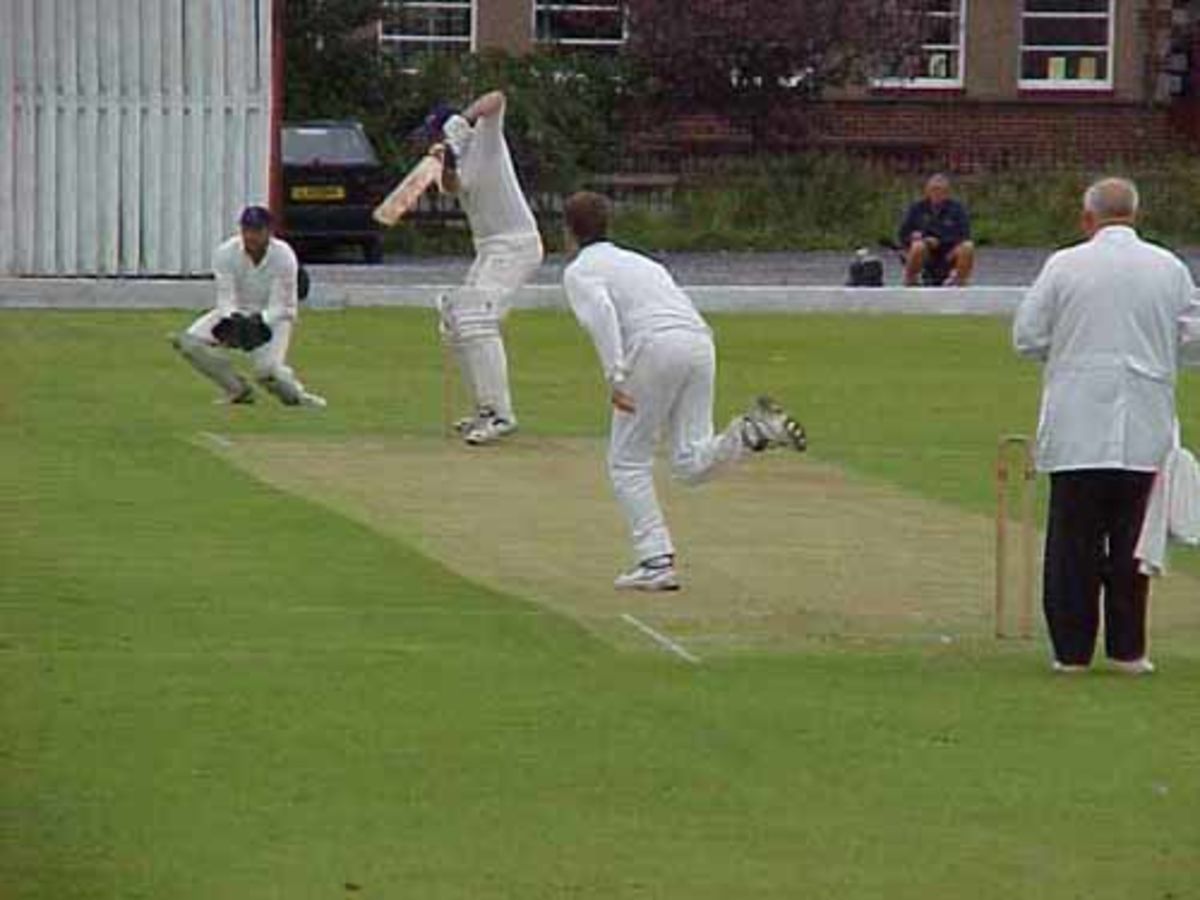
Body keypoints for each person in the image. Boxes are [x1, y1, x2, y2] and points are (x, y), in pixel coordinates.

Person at [561, 191, 808, 591]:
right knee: (689, 462)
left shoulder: (580, 271)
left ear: (568, 232)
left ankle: (655, 560)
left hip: (654, 347)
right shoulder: (641, 262)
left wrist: (615, 376)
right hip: (698, 341)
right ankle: (747, 434)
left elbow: (602, 314)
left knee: (627, 462)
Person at [1013, 177, 1200, 674]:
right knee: (1133, 542)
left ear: (1087, 218)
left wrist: (1072, 351)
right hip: (1145, 421)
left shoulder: (1065, 264)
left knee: (1072, 542)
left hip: (1078, 422)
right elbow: (1195, 338)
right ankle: (1128, 651)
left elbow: (1028, 337)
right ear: (1135, 215)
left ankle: (1071, 653)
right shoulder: (1168, 267)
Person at [421, 91, 544, 445]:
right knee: (454, 318)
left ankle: (500, 415)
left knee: (476, 318)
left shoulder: (485, 140)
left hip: (517, 244)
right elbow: (452, 187)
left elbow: (497, 98)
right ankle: (484, 410)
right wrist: (447, 162)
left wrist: (463, 121)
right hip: (490, 250)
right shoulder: (452, 156)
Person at [171, 205, 326, 408]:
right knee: (189, 343)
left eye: (257, 230)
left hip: (276, 318)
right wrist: (233, 318)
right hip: (239, 312)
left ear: (269, 231)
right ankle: (238, 390)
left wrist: (259, 320)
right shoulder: (226, 253)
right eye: (246, 230)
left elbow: (281, 304)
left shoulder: (284, 255)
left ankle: (297, 396)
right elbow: (226, 296)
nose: (251, 236)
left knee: (266, 372)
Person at [898, 173, 974, 286]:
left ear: (947, 192)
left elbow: (965, 234)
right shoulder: (916, 208)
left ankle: (959, 281)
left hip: (949, 251)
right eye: (934, 189)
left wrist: (941, 241)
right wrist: (919, 237)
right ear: (927, 191)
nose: (937, 193)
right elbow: (903, 234)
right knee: (917, 246)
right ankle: (911, 279)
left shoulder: (958, 209)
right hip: (925, 252)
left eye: (941, 190)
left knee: (968, 246)